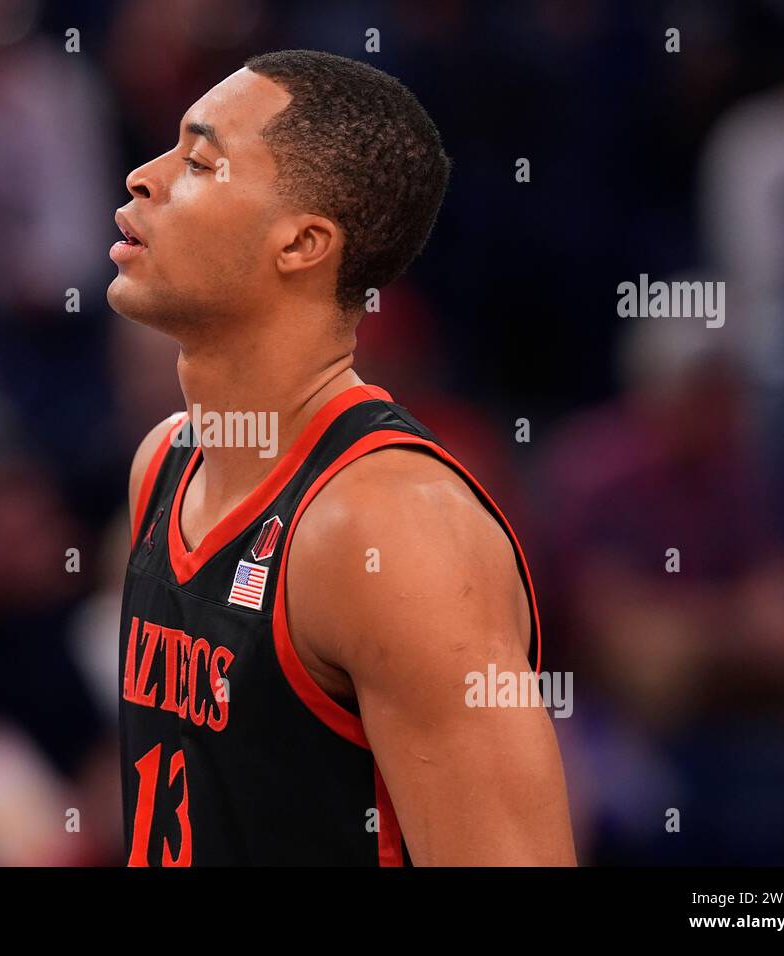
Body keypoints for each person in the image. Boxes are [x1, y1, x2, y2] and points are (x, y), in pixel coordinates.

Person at [109, 49, 575, 865]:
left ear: (302, 244)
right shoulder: (166, 462)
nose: (145, 178)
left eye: (200, 161)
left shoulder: (389, 531)